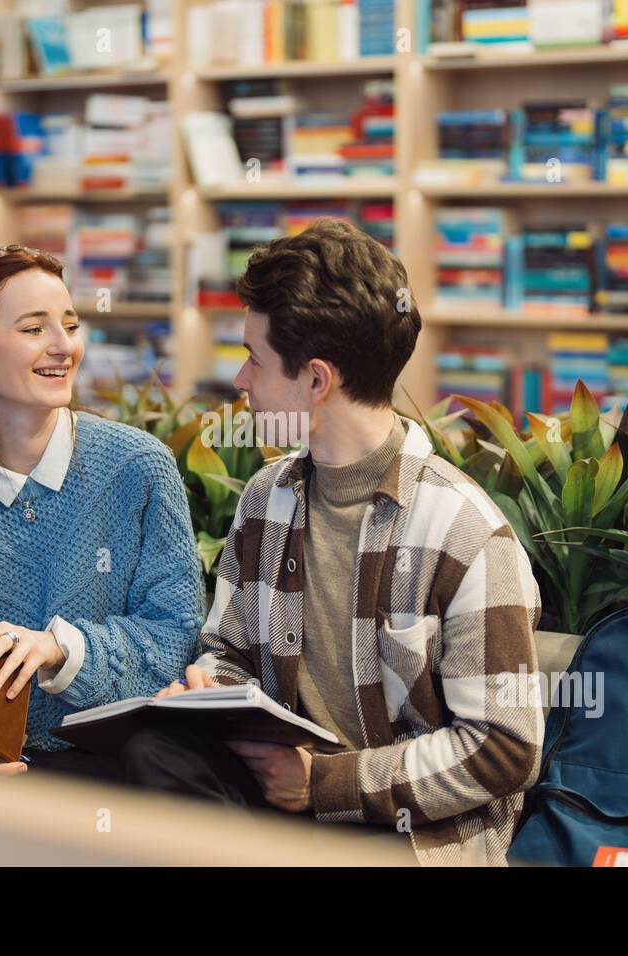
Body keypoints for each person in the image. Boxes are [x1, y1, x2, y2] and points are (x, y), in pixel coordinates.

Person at [120, 219, 545, 866]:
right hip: (282, 805)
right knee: (152, 752)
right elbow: (228, 648)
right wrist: (209, 692)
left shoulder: (466, 533)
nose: (240, 379)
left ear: (316, 381)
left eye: (254, 359)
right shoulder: (267, 500)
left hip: (408, 831)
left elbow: (505, 749)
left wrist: (325, 784)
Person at [0, 245, 204, 781]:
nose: (62, 346)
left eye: (70, 325)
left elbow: (176, 638)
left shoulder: (139, 468)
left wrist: (61, 649)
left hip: (124, 774)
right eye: (33, 329)